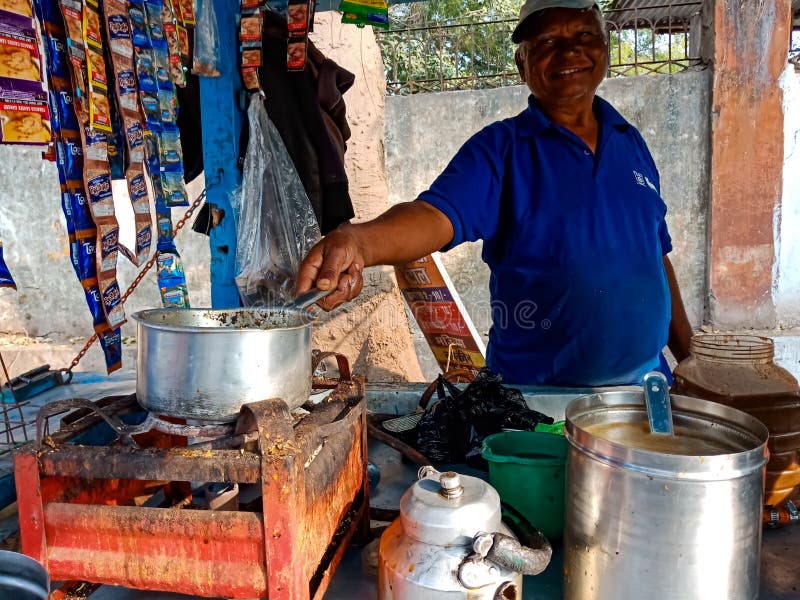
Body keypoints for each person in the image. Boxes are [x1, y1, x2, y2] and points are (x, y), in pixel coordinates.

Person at [297, 0, 693, 387]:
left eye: (585, 35)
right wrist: (359, 242)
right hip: (539, 406)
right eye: (547, 42)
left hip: (647, 394)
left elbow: (656, 256)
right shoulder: (502, 149)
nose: (569, 51)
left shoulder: (631, 142)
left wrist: (691, 361)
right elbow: (434, 216)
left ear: (604, 50)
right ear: (523, 65)